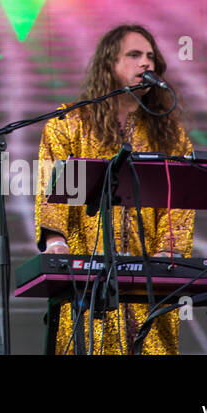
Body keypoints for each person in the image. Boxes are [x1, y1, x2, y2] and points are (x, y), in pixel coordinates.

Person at [34, 23, 194, 354]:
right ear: (109, 64)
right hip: (85, 289)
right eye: (134, 55)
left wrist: (168, 254)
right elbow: (52, 191)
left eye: (151, 57)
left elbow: (180, 202)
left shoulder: (173, 137)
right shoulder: (69, 125)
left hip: (150, 288)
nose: (145, 64)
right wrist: (56, 243)